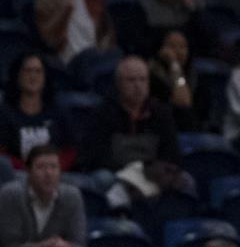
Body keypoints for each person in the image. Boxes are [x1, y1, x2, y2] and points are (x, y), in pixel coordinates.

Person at [75, 58, 184, 206]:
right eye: (131, 80)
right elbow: (95, 155)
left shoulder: (161, 113)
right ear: (119, 84)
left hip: (151, 173)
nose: (138, 86)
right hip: (116, 172)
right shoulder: (102, 113)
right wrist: (128, 174)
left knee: (185, 180)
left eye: (142, 80)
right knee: (103, 178)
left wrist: (150, 171)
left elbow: (171, 153)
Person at [0, 144, 99, 247]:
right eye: (41, 167)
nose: (48, 173)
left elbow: (81, 246)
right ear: (28, 172)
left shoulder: (72, 196)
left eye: (54, 167)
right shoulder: (11, 195)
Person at [0, 52, 63, 165]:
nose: (33, 76)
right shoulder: (4, 112)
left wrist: (53, 168)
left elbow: (71, 149)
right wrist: (30, 170)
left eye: (38, 71)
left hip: (54, 173)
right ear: (17, 75)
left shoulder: (57, 111)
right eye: (28, 71)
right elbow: (0, 151)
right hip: (17, 173)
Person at [148, 30, 203, 134]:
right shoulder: (152, 74)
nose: (178, 51)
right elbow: (183, 101)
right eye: (171, 46)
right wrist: (174, 65)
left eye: (183, 47)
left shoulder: (194, 74)